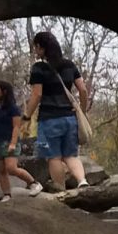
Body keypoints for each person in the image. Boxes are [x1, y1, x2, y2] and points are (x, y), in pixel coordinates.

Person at [22, 29, 91, 192]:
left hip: (49, 119)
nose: (35, 52)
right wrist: (82, 110)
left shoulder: (39, 68)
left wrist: (27, 116)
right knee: (70, 155)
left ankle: (61, 191)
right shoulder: (69, 65)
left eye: (35, 48)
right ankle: (82, 181)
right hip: (69, 118)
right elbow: (83, 90)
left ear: (41, 47)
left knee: (54, 157)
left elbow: (37, 94)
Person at [0, 81, 42, 202]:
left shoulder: (13, 108)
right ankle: (7, 194)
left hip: (9, 141)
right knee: (1, 170)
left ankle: (33, 183)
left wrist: (12, 143)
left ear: (4, 91)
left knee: (11, 168)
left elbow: (17, 127)